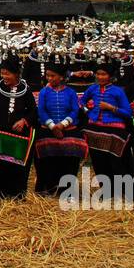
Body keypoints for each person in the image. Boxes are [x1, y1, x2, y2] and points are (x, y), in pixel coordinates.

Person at [0, 56, 37, 198]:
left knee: (15, 164)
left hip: (17, 135)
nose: (4, 76)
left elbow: (33, 110)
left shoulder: (25, 89)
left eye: (7, 74)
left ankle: (14, 193)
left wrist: (24, 121)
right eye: (2, 73)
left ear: (16, 74)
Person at [33, 59, 86, 195]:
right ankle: (48, 187)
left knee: (70, 157)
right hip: (48, 128)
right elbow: (42, 110)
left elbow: (74, 110)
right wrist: (52, 125)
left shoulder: (71, 92)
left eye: (52, 76)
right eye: (48, 76)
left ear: (61, 77)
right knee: (44, 156)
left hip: (68, 128)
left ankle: (67, 190)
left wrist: (62, 124)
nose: (49, 78)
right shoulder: (44, 92)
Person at [80, 58, 134, 180]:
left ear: (110, 76)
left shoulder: (118, 91)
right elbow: (81, 101)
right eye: (98, 74)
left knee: (116, 161)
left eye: (103, 74)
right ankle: (105, 189)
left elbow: (128, 112)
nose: (100, 77)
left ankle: (122, 188)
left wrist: (112, 108)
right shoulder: (92, 88)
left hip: (114, 128)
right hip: (94, 126)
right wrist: (87, 112)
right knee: (98, 161)